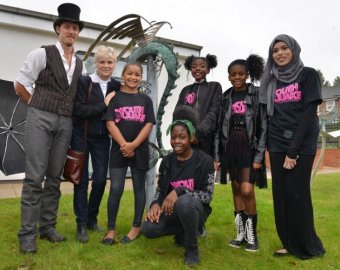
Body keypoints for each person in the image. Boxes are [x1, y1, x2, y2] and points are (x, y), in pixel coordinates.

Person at [14, 3, 84, 253]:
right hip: (40, 118)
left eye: (75, 28)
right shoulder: (41, 54)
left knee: (54, 177)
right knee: (34, 178)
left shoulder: (79, 62)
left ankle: (47, 227)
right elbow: (20, 84)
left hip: (65, 122)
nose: (71, 31)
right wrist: (35, 104)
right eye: (67, 26)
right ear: (58, 29)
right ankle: (27, 235)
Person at [259, 34, 325, 259]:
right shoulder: (272, 80)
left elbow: (309, 114)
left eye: (284, 48)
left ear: (294, 50)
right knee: (282, 196)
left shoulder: (308, 75)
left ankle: (307, 245)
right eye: (275, 50)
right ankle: (288, 242)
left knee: (298, 195)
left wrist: (293, 151)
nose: (279, 53)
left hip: (301, 145)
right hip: (277, 144)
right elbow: (269, 116)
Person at [141, 105, 215, 267]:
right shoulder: (167, 162)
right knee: (148, 229)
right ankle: (183, 232)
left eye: (182, 137)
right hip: (173, 211)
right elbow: (161, 190)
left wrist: (180, 191)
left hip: (196, 209)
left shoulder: (205, 161)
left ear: (192, 138)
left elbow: (207, 196)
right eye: (173, 137)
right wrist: (154, 204)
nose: (176, 141)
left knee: (184, 202)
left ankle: (192, 249)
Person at [214, 55, 267, 252]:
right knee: (236, 190)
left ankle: (253, 237)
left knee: (247, 190)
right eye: (233, 74)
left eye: (241, 74)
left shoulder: (256, 94)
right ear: (228, 77)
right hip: (230, 148)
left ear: (247, 75)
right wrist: (218, 156)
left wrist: (259, 156)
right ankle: (241, 235)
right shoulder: (226, 97)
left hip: (248, 147)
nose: (237, 77)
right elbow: (219, 128)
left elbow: (263, 128)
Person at [101, 62, 156, 245]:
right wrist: (124, 145)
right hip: (118, 150)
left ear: (141, 78)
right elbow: (110, 123)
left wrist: (133, 145)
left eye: (137, 75)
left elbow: (148, 125)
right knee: (116, 189)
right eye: (130, 74)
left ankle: (136, 227)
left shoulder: (146, 100)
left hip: (140, 150)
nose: (133, 77)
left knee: (139, 189)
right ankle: (110, 229)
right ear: (123, 76)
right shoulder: (115, 98)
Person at [71, 46, 121, 243]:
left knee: (100, 180)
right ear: (95, 63)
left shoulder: (116, 85)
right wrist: (104, 105)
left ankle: (92, 217)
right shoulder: (85, 81)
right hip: (81, 137)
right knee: (81, 181)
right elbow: (79, 110)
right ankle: (81, 223)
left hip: (102, 139)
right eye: (102, 62)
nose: (106, 66)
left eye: (109, 62)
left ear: (114, 64)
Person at [174, 54, 222, 158]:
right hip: (186, 139)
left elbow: (213, 112)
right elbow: (178, 113)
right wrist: (181, 134)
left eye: (202, 66)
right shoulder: (185, 90)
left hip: (206, 140)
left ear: (208, 70)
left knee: (203, 170)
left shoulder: (214, 87)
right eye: (194, 66)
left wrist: (198, 134)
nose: (198, 69)